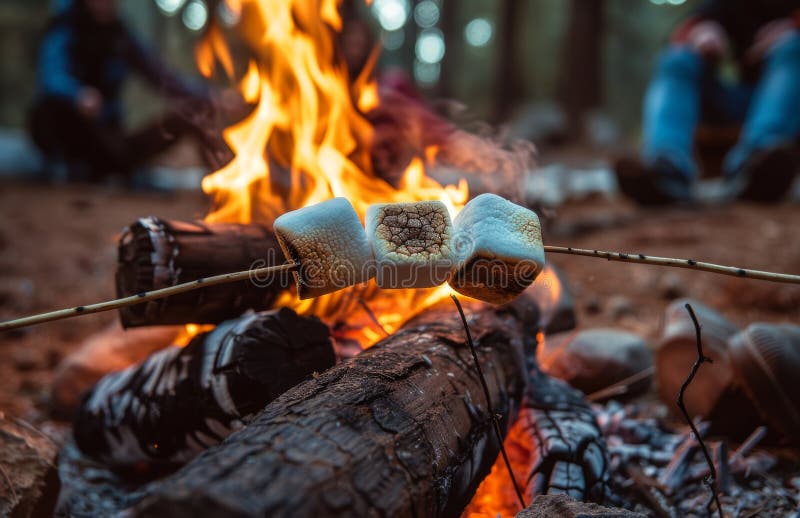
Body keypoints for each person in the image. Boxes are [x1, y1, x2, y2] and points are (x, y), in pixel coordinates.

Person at [616, 0, 800, 204]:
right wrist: (701, 30)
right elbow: (691, 24)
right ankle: (667, 167)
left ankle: (758, 163)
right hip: (746, 103)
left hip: (791, 108)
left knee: (793, 49)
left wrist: (794, 27)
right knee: (677, 59)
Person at [30, 0, 221, 183]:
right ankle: (69, 167)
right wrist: (77, 95)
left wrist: (212, 97)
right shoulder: (65, 27)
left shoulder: (121, 36)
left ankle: (224, 181)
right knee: (49, 108)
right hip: (73, 130)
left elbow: (163, 78)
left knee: (195, 111)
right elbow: (51, 76)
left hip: (111, 142)